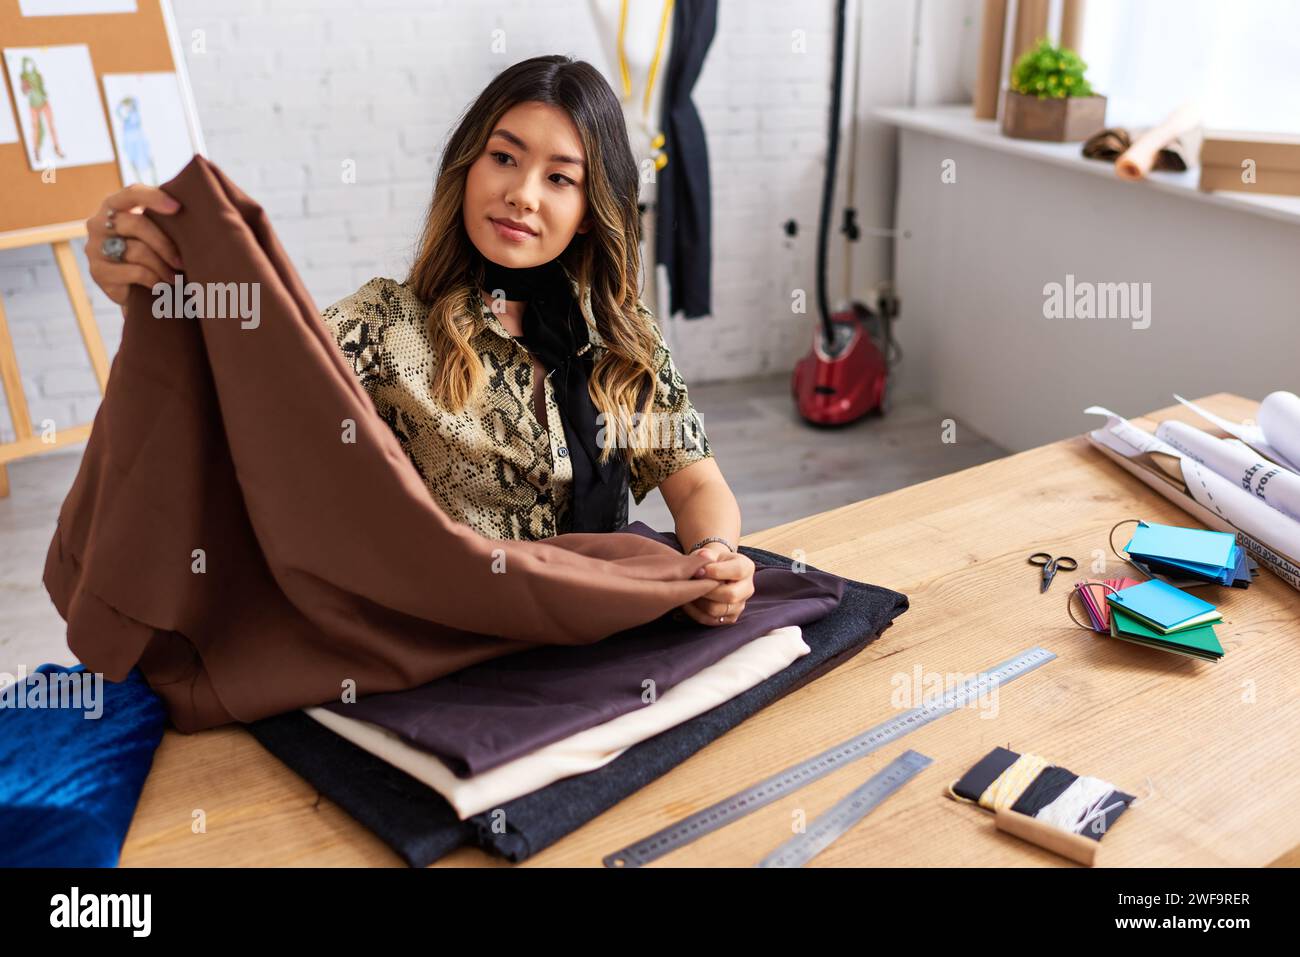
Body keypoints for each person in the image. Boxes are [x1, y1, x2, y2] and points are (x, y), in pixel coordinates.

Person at [82, 54, 754, 628]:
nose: (521, 193)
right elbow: (249, 381)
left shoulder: (622, 339)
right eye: (504, 158)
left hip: (601, 638)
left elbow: (696, 487)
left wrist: (717, 558)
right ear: (468, 167)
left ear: (588, 211)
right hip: (448, 647)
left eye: (559, 177)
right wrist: (152, 293)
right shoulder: (383, 323)